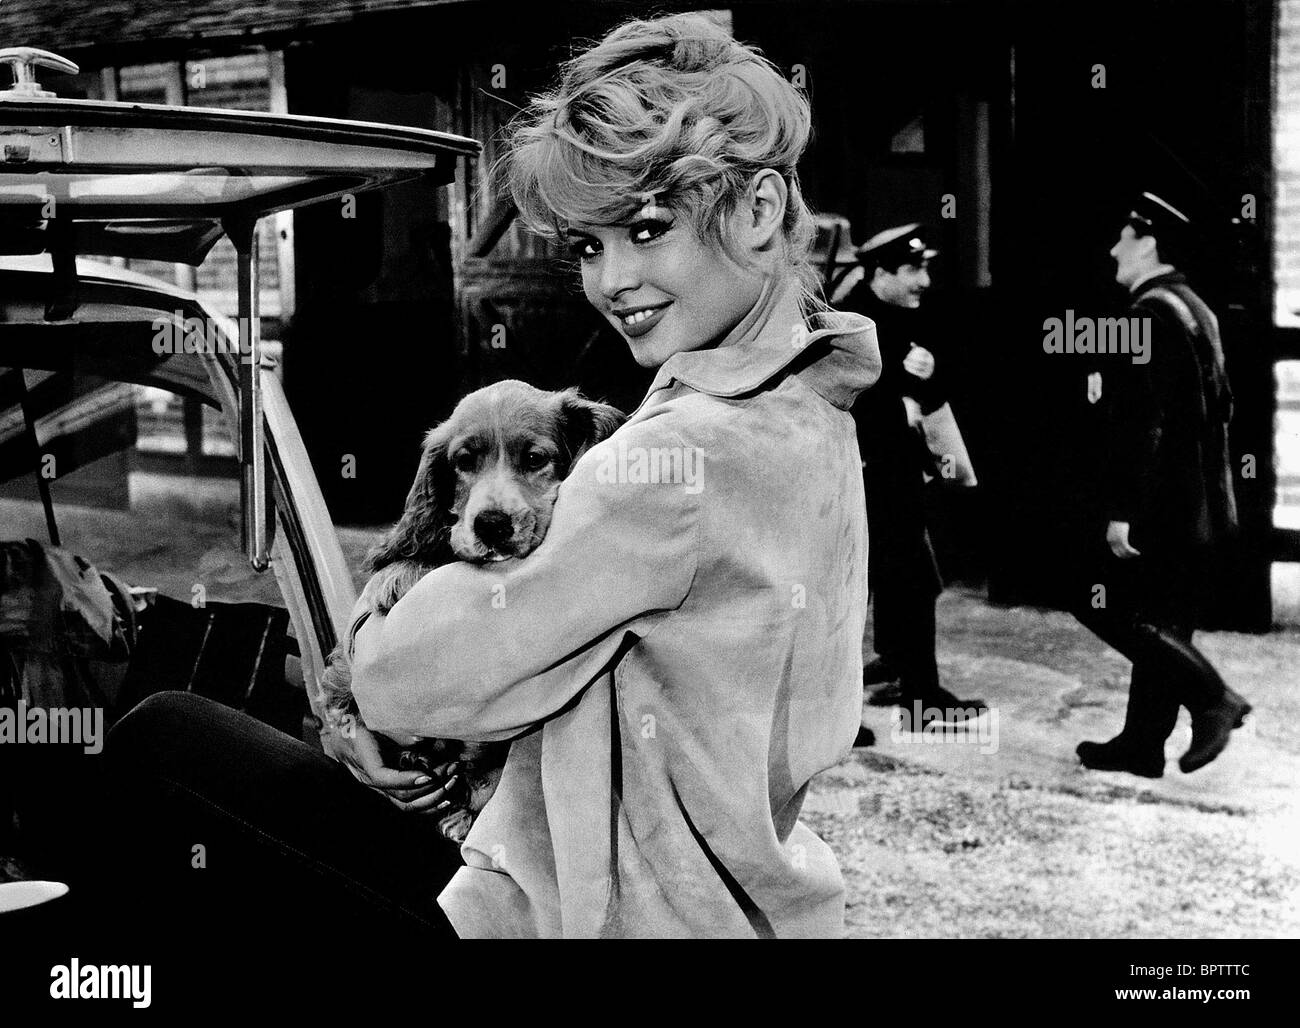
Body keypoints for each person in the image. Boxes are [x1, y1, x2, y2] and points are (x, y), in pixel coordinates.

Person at [97, 13, 882, 940]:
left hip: (576, 912)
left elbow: (398, 682)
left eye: (645, 228)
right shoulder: (815, 413)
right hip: (729, 892)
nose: (613, 280)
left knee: (166, 737)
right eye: (590, 246)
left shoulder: (674, 461)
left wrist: (361, 694)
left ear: (756, 211)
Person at [1073, 191, 1250, 778]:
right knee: (1166, 620)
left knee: (1099, 602)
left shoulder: (1147, 314)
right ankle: (1142, 743)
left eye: (1122, 237)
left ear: (1147, 242)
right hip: (1201, 502)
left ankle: (1212, 698)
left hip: (1163, 505)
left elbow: (1144, 423)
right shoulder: (1193, 305)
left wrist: (1123, 510)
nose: (1112, 249)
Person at [840, 224, 985, 728]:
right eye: (913, 270)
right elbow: (857, 402)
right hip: (866, 476)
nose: (924, 280)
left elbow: (919, 395)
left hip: (891, 473)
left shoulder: (888, 315)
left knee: (903, 580)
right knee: (898, 583)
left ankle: (903, 673)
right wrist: (910, 382)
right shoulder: (854, 327)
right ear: (881, 274)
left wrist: (920, 380)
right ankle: (919, 700)